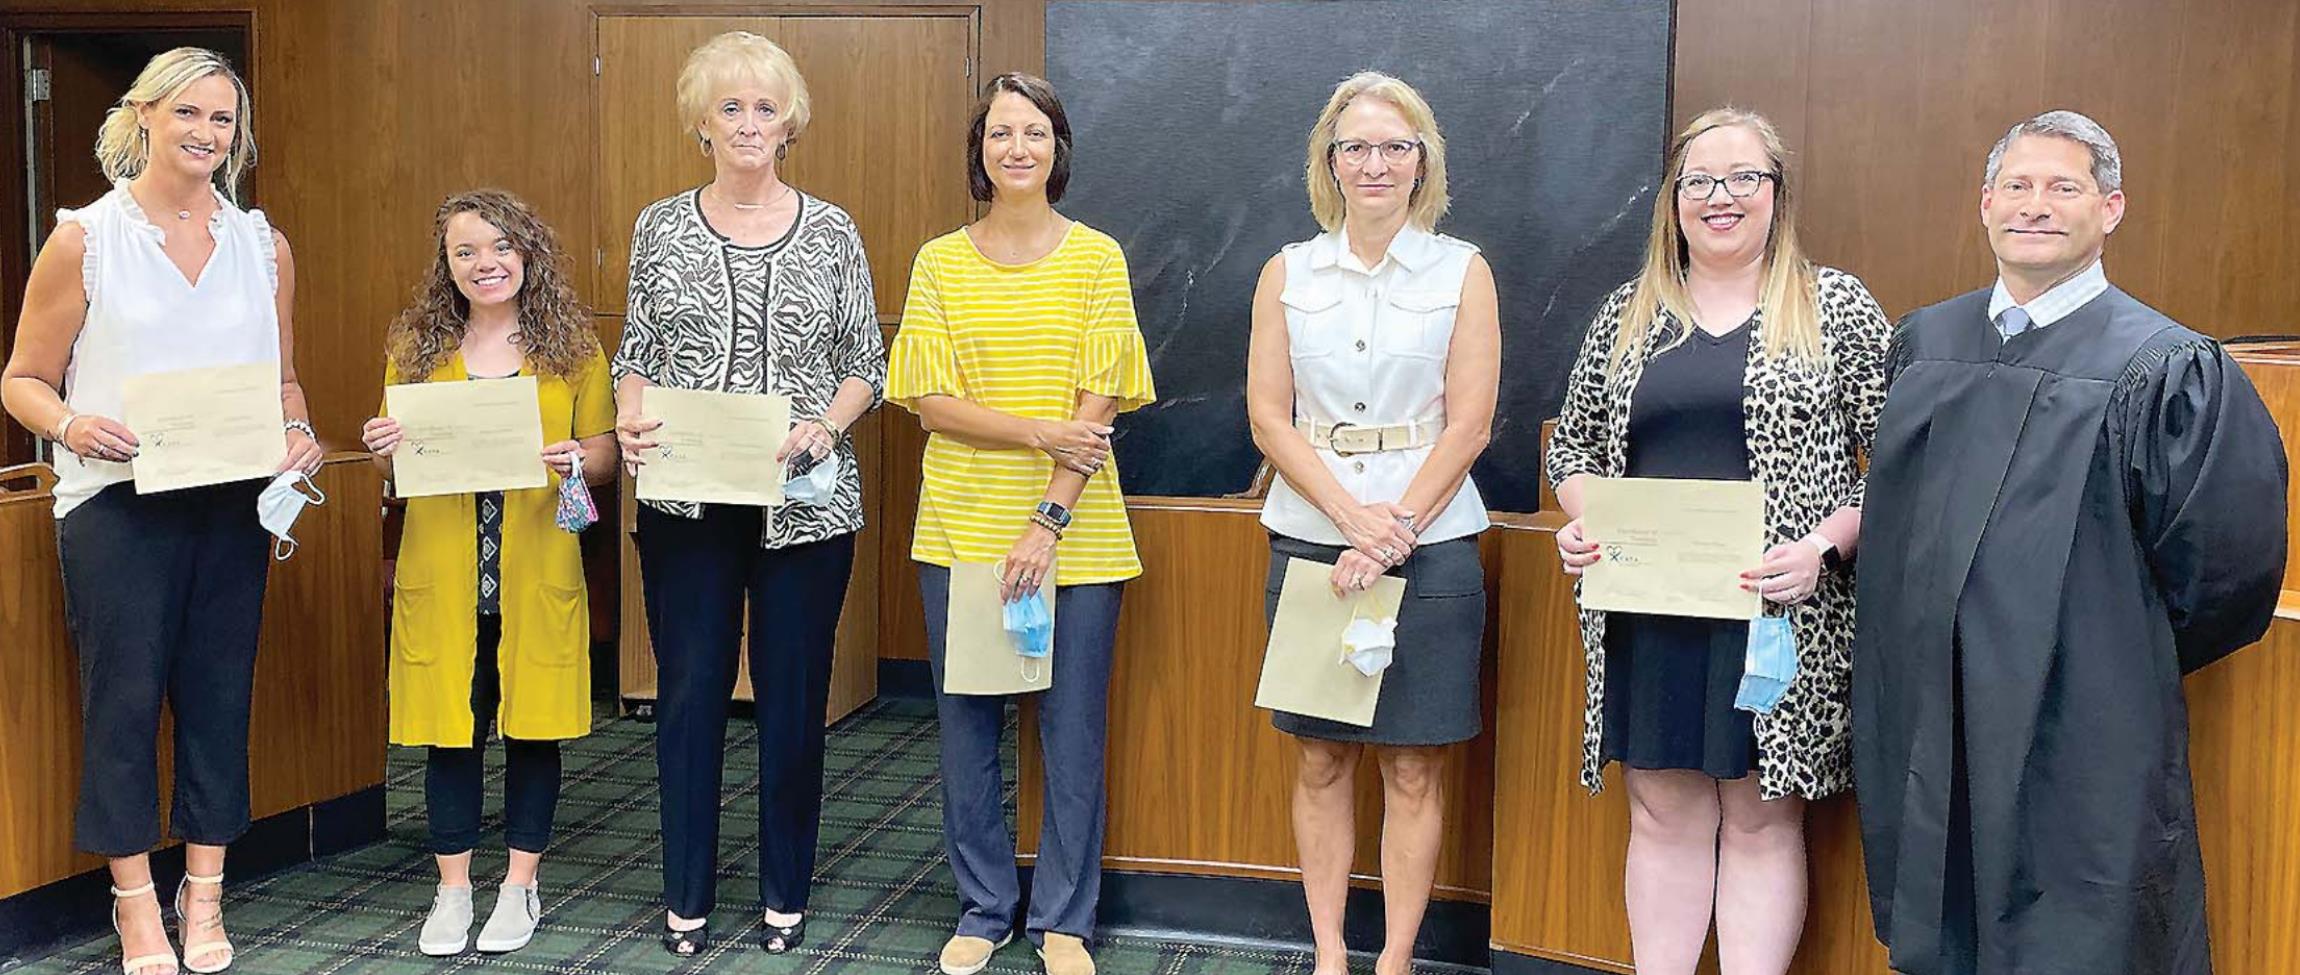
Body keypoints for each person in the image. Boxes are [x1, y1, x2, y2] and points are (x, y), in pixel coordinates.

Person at [1852, 109, 2286, 975]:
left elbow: (2224, 577)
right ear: (1985, 204)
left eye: (2064, 187)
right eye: (2017, 185)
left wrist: (2105, 657)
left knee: (2085, 929)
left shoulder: (2167, 366)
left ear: (2112, 208)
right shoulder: (1926, 343)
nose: (2036, 205)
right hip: (1936, 709)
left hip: (2087, 719)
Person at [1545, 108, 1891, 975]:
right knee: (1660, 812)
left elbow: (1900, 462)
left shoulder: (1834, 305)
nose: (1720, 197)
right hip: (1652, 612)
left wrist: (1824, 547)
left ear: (1778, 193)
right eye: (1698, 180)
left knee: (1763, 815)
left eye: (1744, 178)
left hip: (1780, 611)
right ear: (1673, 199)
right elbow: (1572, 445)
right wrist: (1586, 518)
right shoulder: (1630, 312)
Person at [0, 47, 320, 975]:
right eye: (189, 113)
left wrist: (297, 428)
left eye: (222, 120)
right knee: (124, 704)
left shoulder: (264, 244)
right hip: (117, 508)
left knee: (220, 700)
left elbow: (285, 378)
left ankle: (206, 891)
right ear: (143, 114)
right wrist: (72, 422)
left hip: (232, 500)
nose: (206, 134)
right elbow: (20, 379)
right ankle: (135, 902)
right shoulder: (86, 239)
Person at [610, 30, 884, 958]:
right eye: (730, 106)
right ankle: (686, 896)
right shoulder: (660, 225)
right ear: (701, 121)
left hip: (806, 507)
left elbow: (864, 364)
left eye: (765, 107)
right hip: (686, 506)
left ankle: (784, 894)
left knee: (792, 700)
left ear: (790, 119)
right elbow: (636, 355)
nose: (749, 123)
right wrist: (628, 420)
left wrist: (829, 425)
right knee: (688, 697)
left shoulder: (835, 228)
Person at [885, 72, 1154, 975]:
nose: (1016, 148)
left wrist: (1046, 518)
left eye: (1033, 132)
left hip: (1077, 531)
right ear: (980, 151)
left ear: (1057, 148)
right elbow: (928, 399)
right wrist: (1039, 429)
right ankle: (984, 904)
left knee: (1071, 730)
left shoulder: (1097, 259)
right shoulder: (939, 261)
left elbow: (1100, 403)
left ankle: (1066, 919)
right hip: (960, 525)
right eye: (1000, 133)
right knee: (967, 724)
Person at [1242, 71, 1498, 975]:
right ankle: (1327, 952)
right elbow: (1270, 416)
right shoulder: (1288, 270)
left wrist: (1391, 532)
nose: (1375, 162)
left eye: (1396, 146)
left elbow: (1469, 423)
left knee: (1413, 767)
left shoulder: (1463, 270)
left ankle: (1392, 958)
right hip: (1314, 533)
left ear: (1422, 160)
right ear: (1330, 161)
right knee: (1319, 760)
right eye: (1356, 146)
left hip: (1432, 548)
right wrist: (1350, 516)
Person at [358, 189, 616, 957]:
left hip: (535, 561)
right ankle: (452, 888)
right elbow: (390, 456)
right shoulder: (416, 347)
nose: (485, 264)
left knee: (533, 727)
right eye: (465, 251)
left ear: (527, 253)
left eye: (500, 247)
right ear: (446, 265)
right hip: (444, 569)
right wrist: (379, 442)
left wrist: (576, 457)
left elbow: (602, 456)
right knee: (452, 728)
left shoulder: (574, 349)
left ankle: (519, 883)